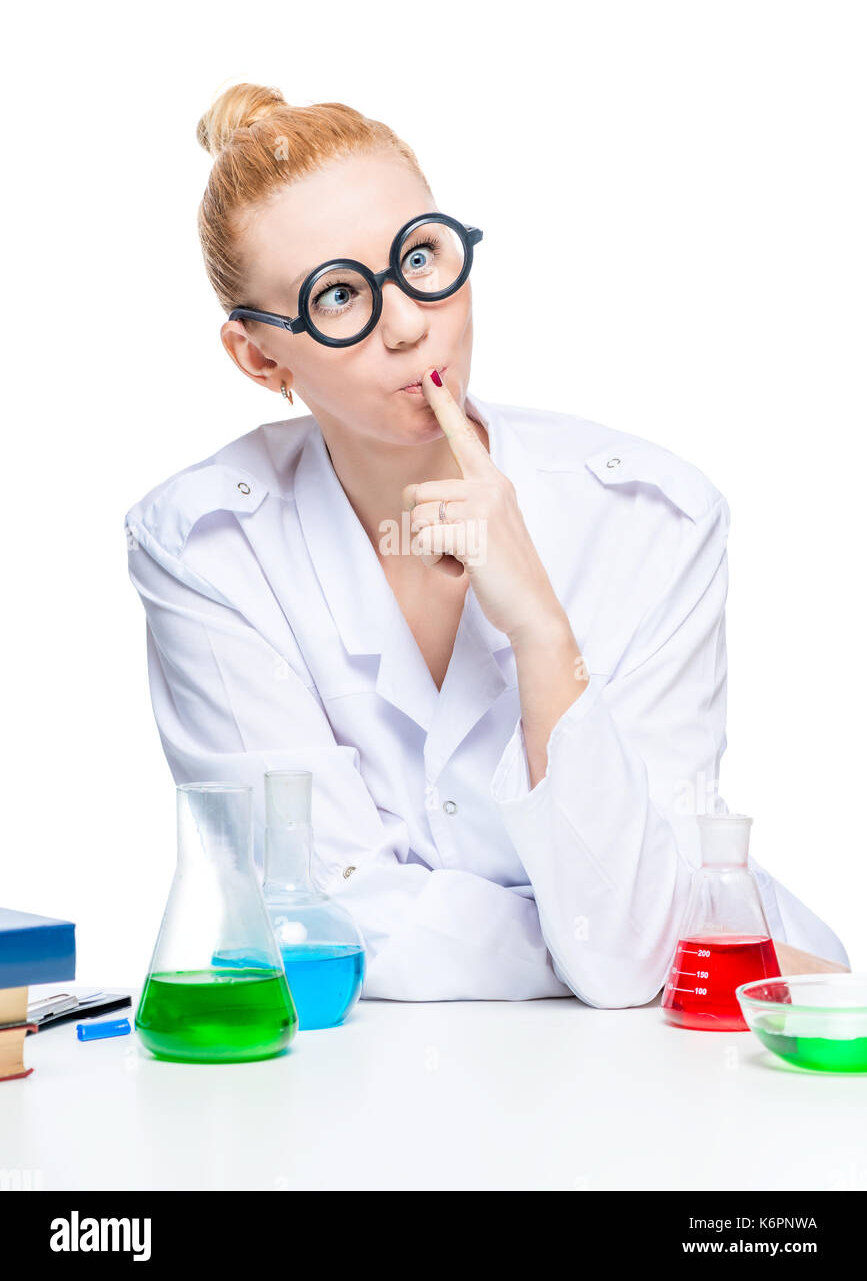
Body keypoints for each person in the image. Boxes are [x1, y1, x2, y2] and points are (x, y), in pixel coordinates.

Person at [124, 82, 848, 1007]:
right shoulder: (205, 547)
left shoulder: (654, 520)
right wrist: (598, 944)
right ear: (260, 357)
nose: (408, 323)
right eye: (338, 295)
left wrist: (543, 633)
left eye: (421, 257)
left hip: (709, 1056)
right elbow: (310, 916)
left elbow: (633, 949)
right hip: (412, 1087)